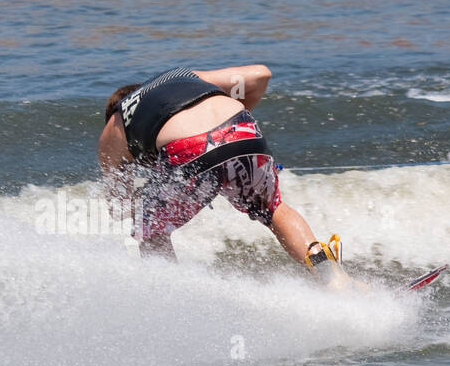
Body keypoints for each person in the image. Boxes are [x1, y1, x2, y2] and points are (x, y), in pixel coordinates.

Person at [97, 65, 350, 283]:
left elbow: (119, 207)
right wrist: (228, 128)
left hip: (188, 150)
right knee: (273, 209)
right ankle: (330, 274)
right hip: (241, 129)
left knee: (151, 232)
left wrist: (145, 201)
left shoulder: (115, 124)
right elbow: (261, 75)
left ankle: (171, 302)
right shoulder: (183, 76)